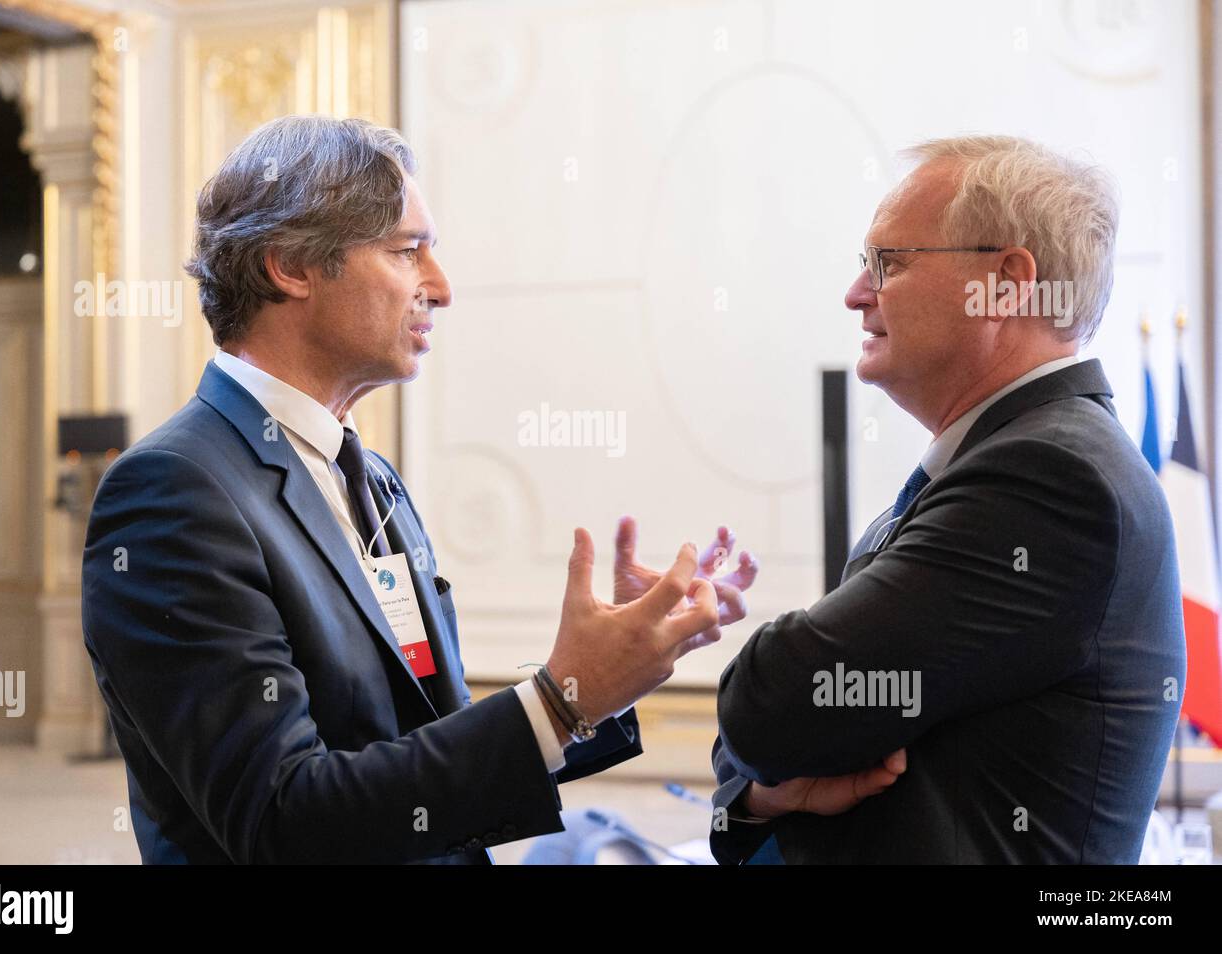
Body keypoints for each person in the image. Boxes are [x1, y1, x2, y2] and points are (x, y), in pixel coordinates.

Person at [81, 115, 753, 864]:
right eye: (408, 252)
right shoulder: (171, 492)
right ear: (291, 266)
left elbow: (427, 752)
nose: (442, 287)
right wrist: (562, 700)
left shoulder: (370, 476)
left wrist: (607, 671)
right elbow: (281, 820)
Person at [709, 135, 1186, 864]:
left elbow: (769, 707)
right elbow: (769, 734)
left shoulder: (1051, 480)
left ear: (1005, 283)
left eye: (888, 263)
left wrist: (775, 730)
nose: (856, 293)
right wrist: (766, 790)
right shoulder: (1010, 462)